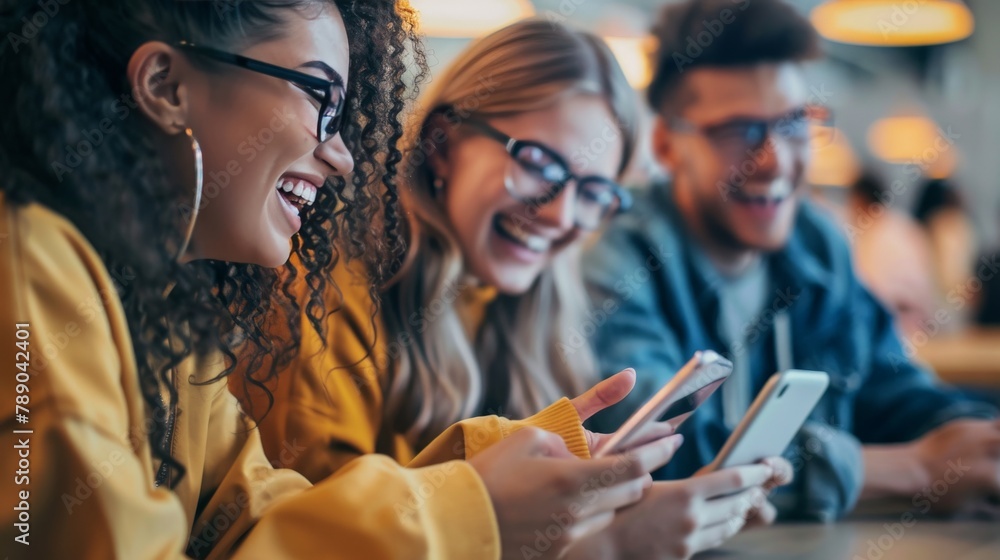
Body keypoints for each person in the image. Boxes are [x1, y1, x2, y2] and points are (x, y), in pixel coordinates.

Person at [0, 2, 678, 558]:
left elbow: (252, 521)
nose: (344, 156)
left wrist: (504, 471)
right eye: (320, 98)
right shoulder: (33, 265)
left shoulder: (165, 298)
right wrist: (485, 511)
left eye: (594, 190)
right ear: (165, 88)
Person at [233, 19, 793, 559]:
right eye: (540, 164)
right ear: (444, 144)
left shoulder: (530, 308)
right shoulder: (323, 291)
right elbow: (334, 539)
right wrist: (602, 548)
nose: (559, 213)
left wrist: (639, 511)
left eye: (594, 191)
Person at [583, 0, 1000, 522]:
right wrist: (917, 470)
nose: (775, 159)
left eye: (793, 122)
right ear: (667, 145)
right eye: (739, 131)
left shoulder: (816, 244)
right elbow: (663, 454)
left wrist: (977, 444)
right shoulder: (615, 256)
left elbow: (895, 391)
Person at [847, 171, 940, 337]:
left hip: (891, 322)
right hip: (920, 320)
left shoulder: (873, 235)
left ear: (860, 201)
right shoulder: (906, 226)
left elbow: (872, 288)